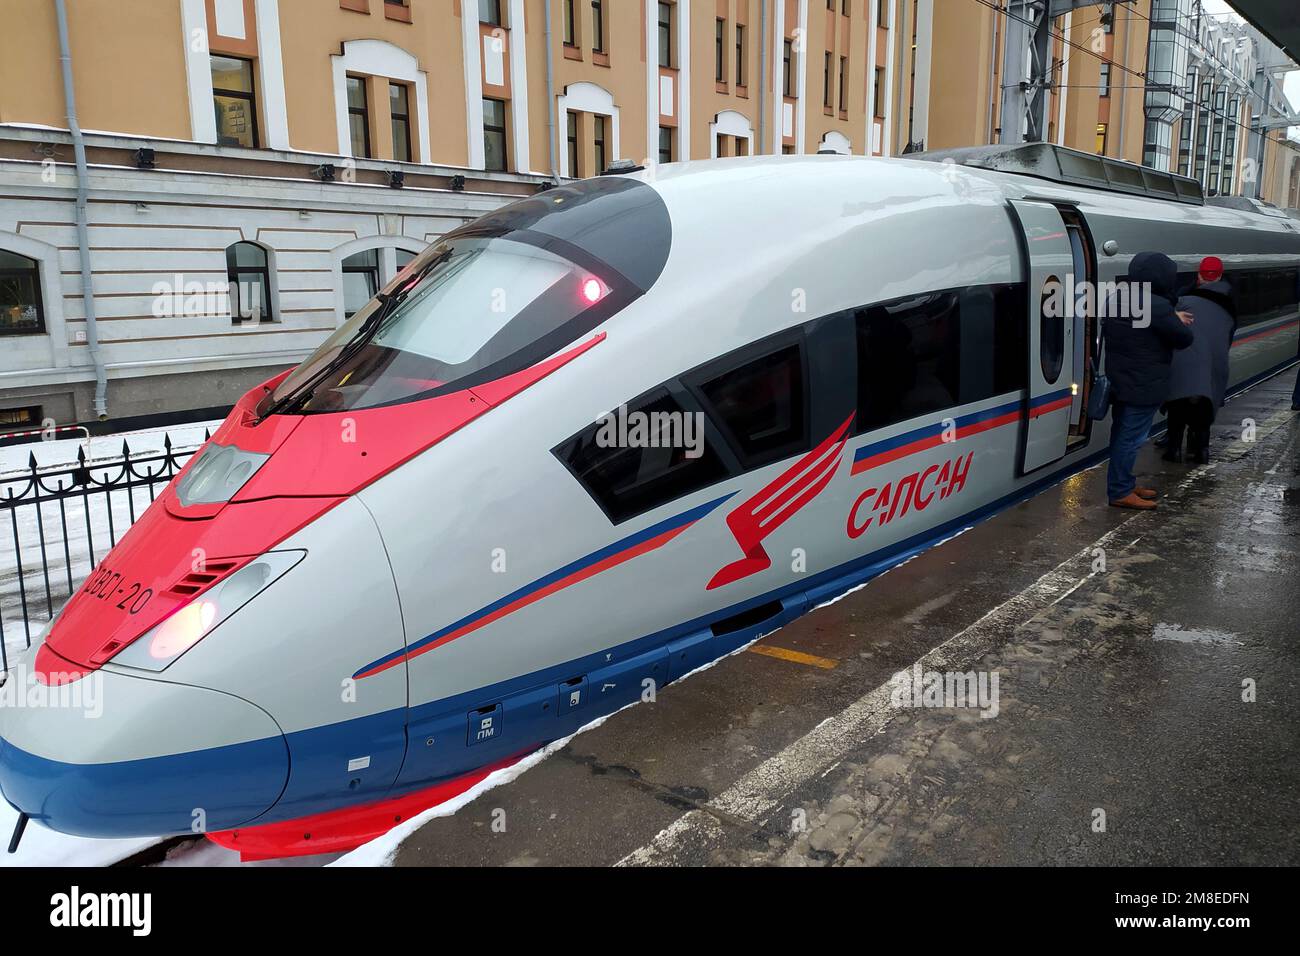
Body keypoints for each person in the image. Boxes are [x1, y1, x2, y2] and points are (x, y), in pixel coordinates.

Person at [1103, 251, 1195, 510]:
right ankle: (1120, 491)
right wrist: (1175, 318)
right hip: (1144, 383)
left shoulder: (1116, 298)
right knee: (1130, 439)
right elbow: (1184, 339)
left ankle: (1125, 483)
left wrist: (1168, 317)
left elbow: (1134, 327)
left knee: (1121, 435)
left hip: (1121, 380)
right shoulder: (1157, 305)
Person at [1163, 256, 1237, 465]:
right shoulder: (1230, 303)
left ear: (1198, 274)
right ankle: (1200, 451)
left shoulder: (1183, 299)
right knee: (1204, 410)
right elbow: (1228, 334)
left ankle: (1174, 450)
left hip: (1184, 359)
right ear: (1220, 276)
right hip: (1215, 361)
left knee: (1177, 406)